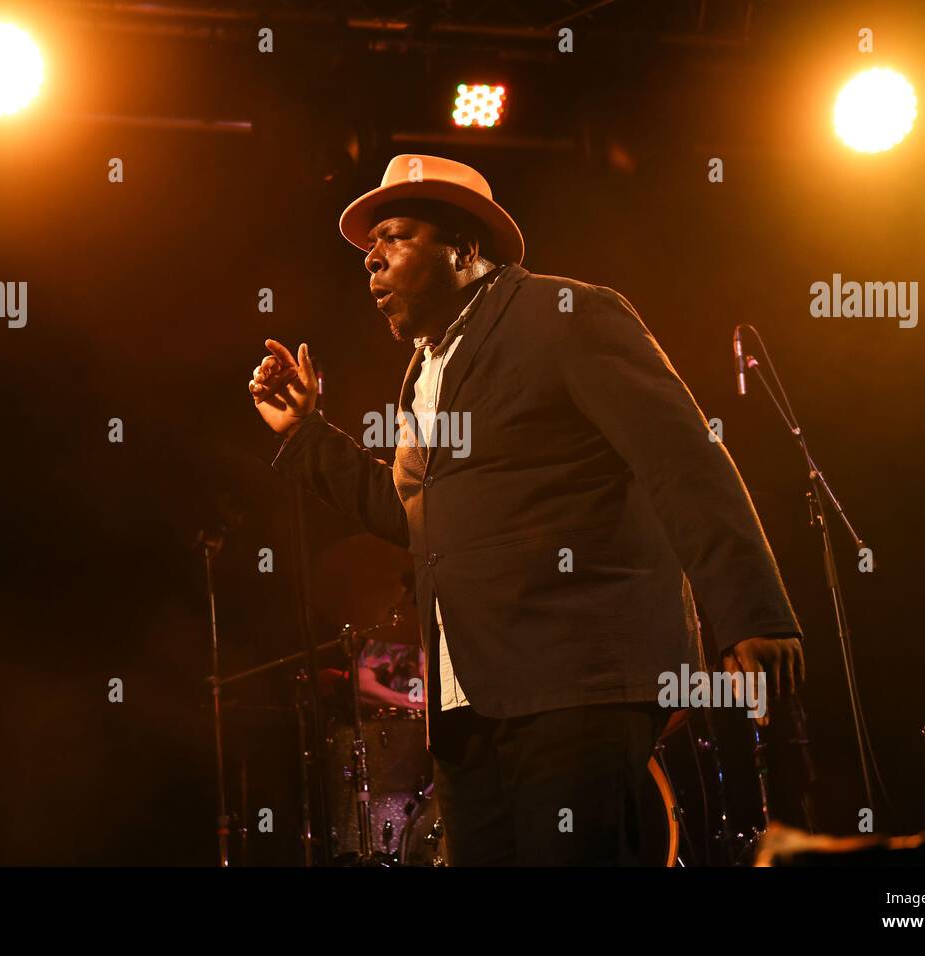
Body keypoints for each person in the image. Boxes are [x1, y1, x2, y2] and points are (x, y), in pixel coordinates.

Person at [248, 154, 804, 865]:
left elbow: (684, 458)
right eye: (369, 247)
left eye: (396, 236)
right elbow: (417, 520)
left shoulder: (565, 316)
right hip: (465, 705)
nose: (372, 261)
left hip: (576, 683)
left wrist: (753, 610)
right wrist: (305, 435)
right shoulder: (423, 372)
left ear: (465, 248)